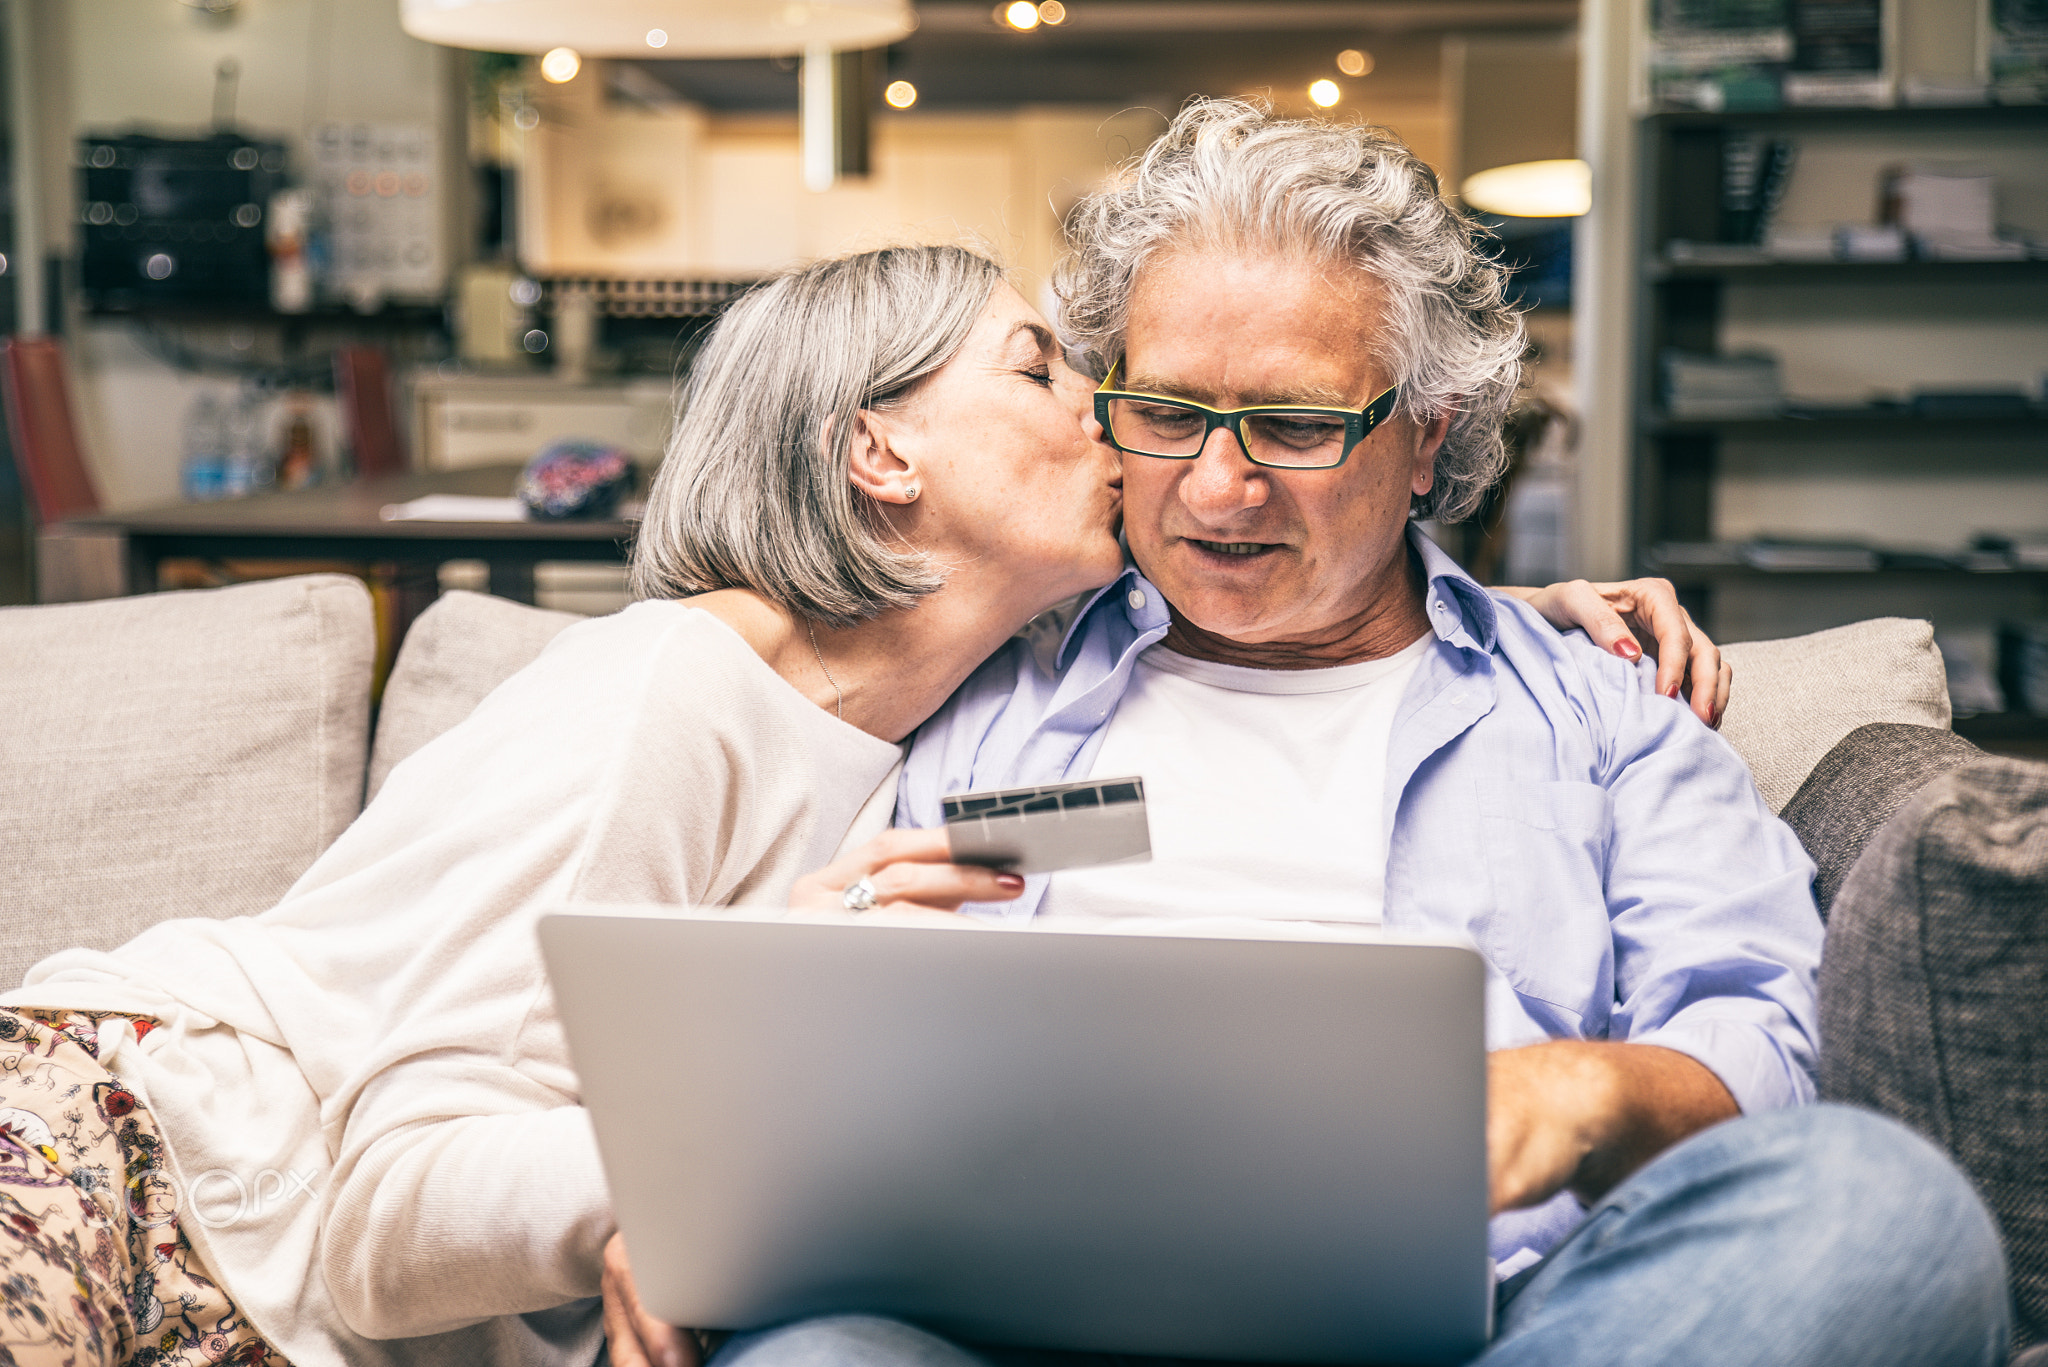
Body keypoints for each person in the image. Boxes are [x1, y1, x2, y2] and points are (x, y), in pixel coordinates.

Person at [0, 243, 1696, 1367]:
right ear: (883, 455)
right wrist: (757, 1167)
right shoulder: (669, 699)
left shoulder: (964, 725)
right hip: (136, 1153)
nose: (1135, 437)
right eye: (1050, 374)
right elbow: (387, 1208)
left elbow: (1194, 781)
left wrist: (1466, 626)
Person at [603, 102, 2011, 1367]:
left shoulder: (1595, 711)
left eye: (1290, 425)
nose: (1218, 488)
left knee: (1885, 1214)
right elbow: (880, 966)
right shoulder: (994, 684)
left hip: (1497, 1322)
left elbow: (1773, 1034)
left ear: (1427, 435)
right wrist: (746, 1173)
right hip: (1022, 1323)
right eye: (1165, 413)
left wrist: (1582, 1089)